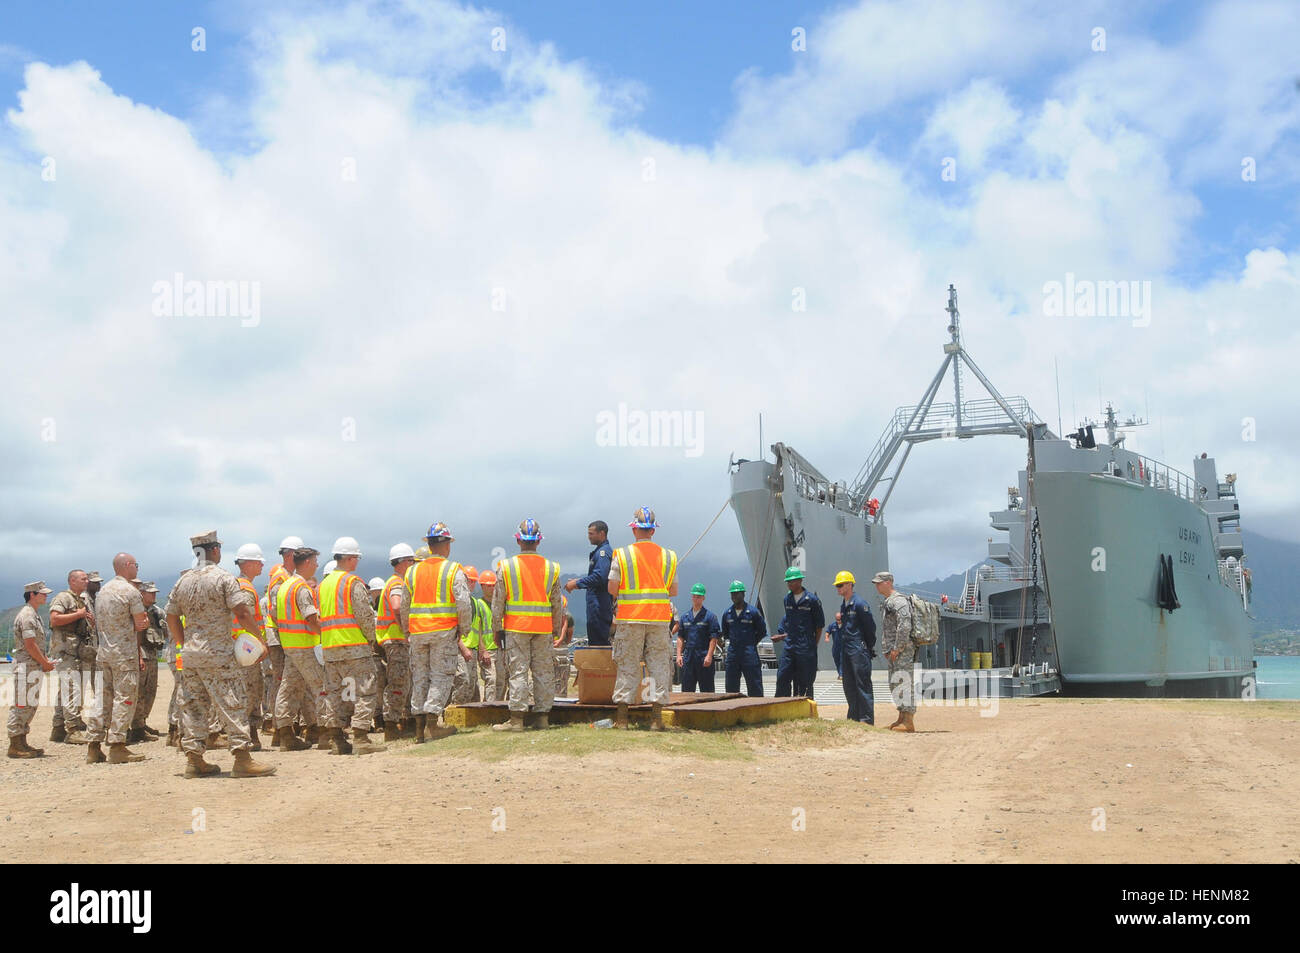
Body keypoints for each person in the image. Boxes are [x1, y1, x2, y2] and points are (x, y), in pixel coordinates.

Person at [166, 530, 276, 777]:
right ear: (215, 550)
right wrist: (259, 641)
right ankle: (242, 759)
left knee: (194, 706)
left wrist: (184, 643)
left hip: (192, 656)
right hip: (218, 654)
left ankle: (194, 760)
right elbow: (242, 612)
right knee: (232, 703)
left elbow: (171, 615)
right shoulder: (223, 578)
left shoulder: (183, 581)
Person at [607, 506, 678, 730]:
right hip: (658, 619)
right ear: (653, 531)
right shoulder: (669, 556)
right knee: (657, 666)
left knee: (628, 665)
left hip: (630, 619)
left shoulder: (622, 554)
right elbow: (673, 591)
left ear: (634, 529)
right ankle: (656, 719)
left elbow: (612, 587)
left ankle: (623, 719)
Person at [402, 522, 474, 741]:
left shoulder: (412, 572)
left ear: (430, 544)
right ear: (447, 545)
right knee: (440, 676)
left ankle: (419, 727)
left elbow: (406, 605)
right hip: (443, 631)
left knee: (420, 677)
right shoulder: (452, 570)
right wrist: (464, 628)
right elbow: (463, 602)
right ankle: (432, 725)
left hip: (417, 633)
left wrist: (408, 630)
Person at [491, 519, 564, 731]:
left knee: (518, 672)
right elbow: (556, 602)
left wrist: (497, 629)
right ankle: (542, 718)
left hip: (516, 628)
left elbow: (498, 602)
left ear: (518, 540)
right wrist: (556, 628)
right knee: (543, 673)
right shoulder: (552, 567)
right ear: (539, 541)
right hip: (542, 629)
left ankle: (516, 721)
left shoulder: (506, 566)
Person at [318, 537, 384, 755]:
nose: (357, 561)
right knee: (365, 690)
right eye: (356, 557)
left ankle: (337, 739)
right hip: (355, 645)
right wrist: (372, 638)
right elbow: (364, 615)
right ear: (349, 558)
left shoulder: (323, 585)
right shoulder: (351, 582)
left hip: (330, 647)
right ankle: (361, 737)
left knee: (335, 694)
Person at [85, 553, 150, 765]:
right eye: (136, 565)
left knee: (101, 699)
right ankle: (117, 745)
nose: (137, 569)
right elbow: (141, 623)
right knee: (125, 698)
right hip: (124, 654)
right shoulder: (130, 591)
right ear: (127, 566)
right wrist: (142, 623)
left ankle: (93, 745)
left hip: (104, 654)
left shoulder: (103, 592)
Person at [272, 546, 328, 751]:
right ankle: (326, 733)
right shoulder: (302, 588)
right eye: (314, 561)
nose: (316, 565)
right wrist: (326, 632)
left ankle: (285, 734)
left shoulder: (286, 586)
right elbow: (311, 618)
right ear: (306, 563)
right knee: (321, 687)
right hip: (305, 645)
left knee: (288, 688)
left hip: (290, 645)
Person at [46, 569, 95, 744]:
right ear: (72, 581)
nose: (87, 581)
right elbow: (55, 619)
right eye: (83, 579)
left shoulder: (80, 599)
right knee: (71, 690)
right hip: (65, 651)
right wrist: (79, 614)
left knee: (65, 690)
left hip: (76, 651)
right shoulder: (63, 598)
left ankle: (58, 728)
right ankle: (72, 730)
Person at [7, 581, 55, 758]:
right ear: (32, 595)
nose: (45, 595)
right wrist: (44, 662)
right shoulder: (27, 615)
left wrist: (44, 661)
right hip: (27, 667)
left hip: (31, 666)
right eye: (42, 593)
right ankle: (15, 744)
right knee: (22, 704)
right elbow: (30, 644)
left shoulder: (33, 614)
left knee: (29, 704)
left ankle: (21, 741)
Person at [231, 544, 270, 750]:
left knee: (248, 691)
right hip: (246, 648)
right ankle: (249, 736)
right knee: (250, 691)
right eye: (259, 562)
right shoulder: (245, 587)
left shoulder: (238, 584)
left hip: (242, 646)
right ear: (250, 563)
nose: (262, 565)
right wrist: (261, 642)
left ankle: (249, 735)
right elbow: (244, 615)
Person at [376, 543, 416, 741]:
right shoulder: (397, 583)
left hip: (394, 640)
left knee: (400, 682)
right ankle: (391, 725)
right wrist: (405, 629)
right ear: (403, 562)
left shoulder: (394, 581)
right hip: (397, 640)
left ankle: (395, 722)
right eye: (411, 561)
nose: (413, 564)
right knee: (398, 682)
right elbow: (397, 606)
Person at [874, 571, 916, 732]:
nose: (877, 586)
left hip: (902, 651)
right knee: (895, 684)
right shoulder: (888, 601)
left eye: (879, 582)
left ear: (889, 582)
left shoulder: (899, 601)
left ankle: (908, 721)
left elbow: (904, 626)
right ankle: (901, 718)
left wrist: (897, 648)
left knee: (904, 682)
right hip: (894, 652)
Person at [774, 566, 824, 698]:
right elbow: (789, 622)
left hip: (806, 646)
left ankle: (806, 706)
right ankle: (781, 704)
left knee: (805, 680)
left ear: (800, 581)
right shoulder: (787, 600)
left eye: (793, 581)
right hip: (790, 645)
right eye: (788, 582)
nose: (790, 584)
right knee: (782, 676)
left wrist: (813, 644)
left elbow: (819, 625)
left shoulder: (812, 600)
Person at [833, 571, 876, 724]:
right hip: (847, 649)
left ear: (850, 584)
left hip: (858, 648)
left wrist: (866, 646)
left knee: (862, 684)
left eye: (840, 585)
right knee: (849, 685)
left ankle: (866, 719)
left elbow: (870, 628)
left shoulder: (859, 604)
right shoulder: (844, 605)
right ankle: (853, 718)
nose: (837, 588)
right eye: (837, 585)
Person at [128, 580, 166, 744]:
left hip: (153, 653)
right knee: (140, 692)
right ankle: (136, 727)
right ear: (141, 594)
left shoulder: (157, 612)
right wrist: (138, 656)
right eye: (150, 592)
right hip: (141, 652)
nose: (154, 595)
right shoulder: (136, 611)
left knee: (150, 690)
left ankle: (142, 722)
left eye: (155, 592)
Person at [565, 520, 614, 646]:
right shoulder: (598, 552)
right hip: (595, 606)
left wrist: (577, 583)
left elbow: (599, 577)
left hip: (600, 606)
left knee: (599, 643)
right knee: (595, 641)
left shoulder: (603, 553)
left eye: (591, 534)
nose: (589, 537)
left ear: (602, 533)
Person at [720, 581, 765, 697]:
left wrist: (751, 643)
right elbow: (726, 633)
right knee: (731, 686)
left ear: (743, 594)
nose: (734, 596)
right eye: (732, 594)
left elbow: (762, 631)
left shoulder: (753, 612)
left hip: (749, 653)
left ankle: (757, 709)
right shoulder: (727, 614)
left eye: (737, 593)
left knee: (754, 684)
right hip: (733, 653)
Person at [674, 583, 720, 693]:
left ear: (703, 598)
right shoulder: (685, 617)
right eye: (694, 596)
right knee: (687, 691)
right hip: (689, 658)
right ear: (691, 597)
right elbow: (680, 637)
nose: (696, 598)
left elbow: (713, 638)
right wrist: (679, 655)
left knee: (707, 691)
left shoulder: (710, 617)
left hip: (703, 658)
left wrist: (709, 656)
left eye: (698, 596)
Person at [451, 565, 485, 705]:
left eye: (473, 581)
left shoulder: (475, 603)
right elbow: (454, 628)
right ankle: (452, 709)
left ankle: (464, 714)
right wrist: (463, 649)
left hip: (473, 650)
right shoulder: (457, 602)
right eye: (469, 581)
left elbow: (478, 627)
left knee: (471, 685)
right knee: (462, 679)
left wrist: (481, 648)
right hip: (460, 649)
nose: (472, 584)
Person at [478, 570, 505, 701]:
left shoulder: (499, 605)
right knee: (491, 679)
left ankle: (498, 707)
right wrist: (483, 651)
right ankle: (488, 708)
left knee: (501, 681)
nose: (492, 588)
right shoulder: (479, 604)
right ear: (482, 586)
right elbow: (477, 630)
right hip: (487, 650)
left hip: (500, 649)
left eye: (493, 585)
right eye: (488, 585)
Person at [554, 603, 575, 697]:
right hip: (562, 649)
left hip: (548, 647)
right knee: (562, 681)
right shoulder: (568, 616)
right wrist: (564, 641)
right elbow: (570, 633)